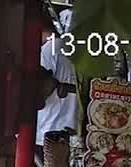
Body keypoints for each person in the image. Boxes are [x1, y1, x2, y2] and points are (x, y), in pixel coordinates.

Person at [36, 9, 78, 151]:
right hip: (69, 126)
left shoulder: (50, 49)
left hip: (49, 130)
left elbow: (38, 92)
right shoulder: (69, 48)